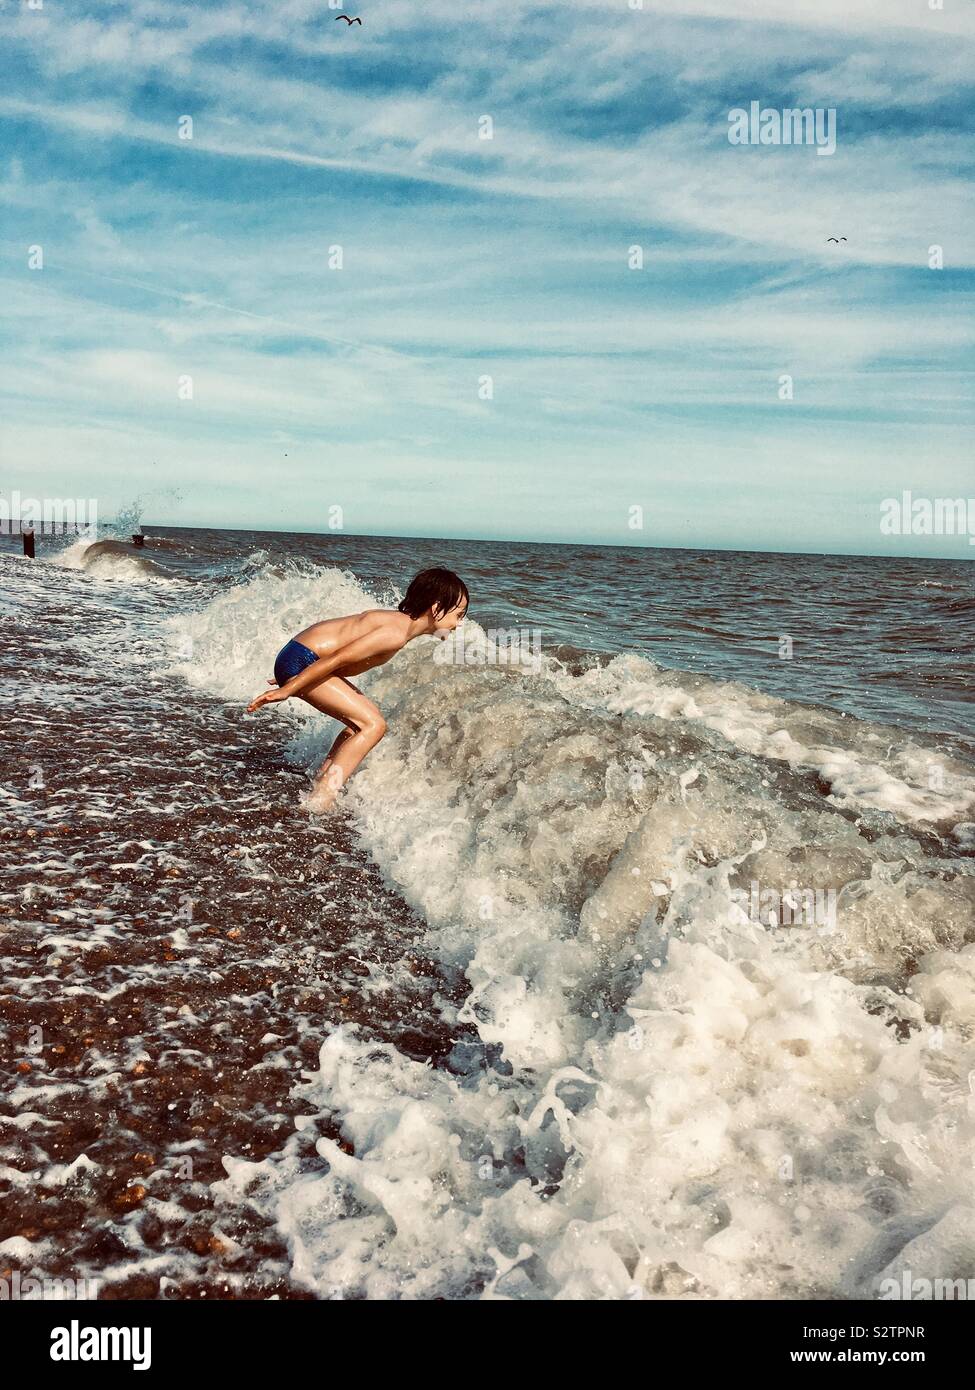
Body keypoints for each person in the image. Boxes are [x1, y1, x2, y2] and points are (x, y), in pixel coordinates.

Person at [246, 567, 469, 811]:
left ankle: (323, 779)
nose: (459, 623)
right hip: (304, 660)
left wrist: (296, 674)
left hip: (301, 658)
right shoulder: (394, 633)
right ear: (436, 609)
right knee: (374, 725)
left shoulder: (398, 624)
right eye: (458, 614)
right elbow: (338, 658)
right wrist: (289, 687)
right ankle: (322, 797)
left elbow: (337, 652)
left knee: (358, 725)